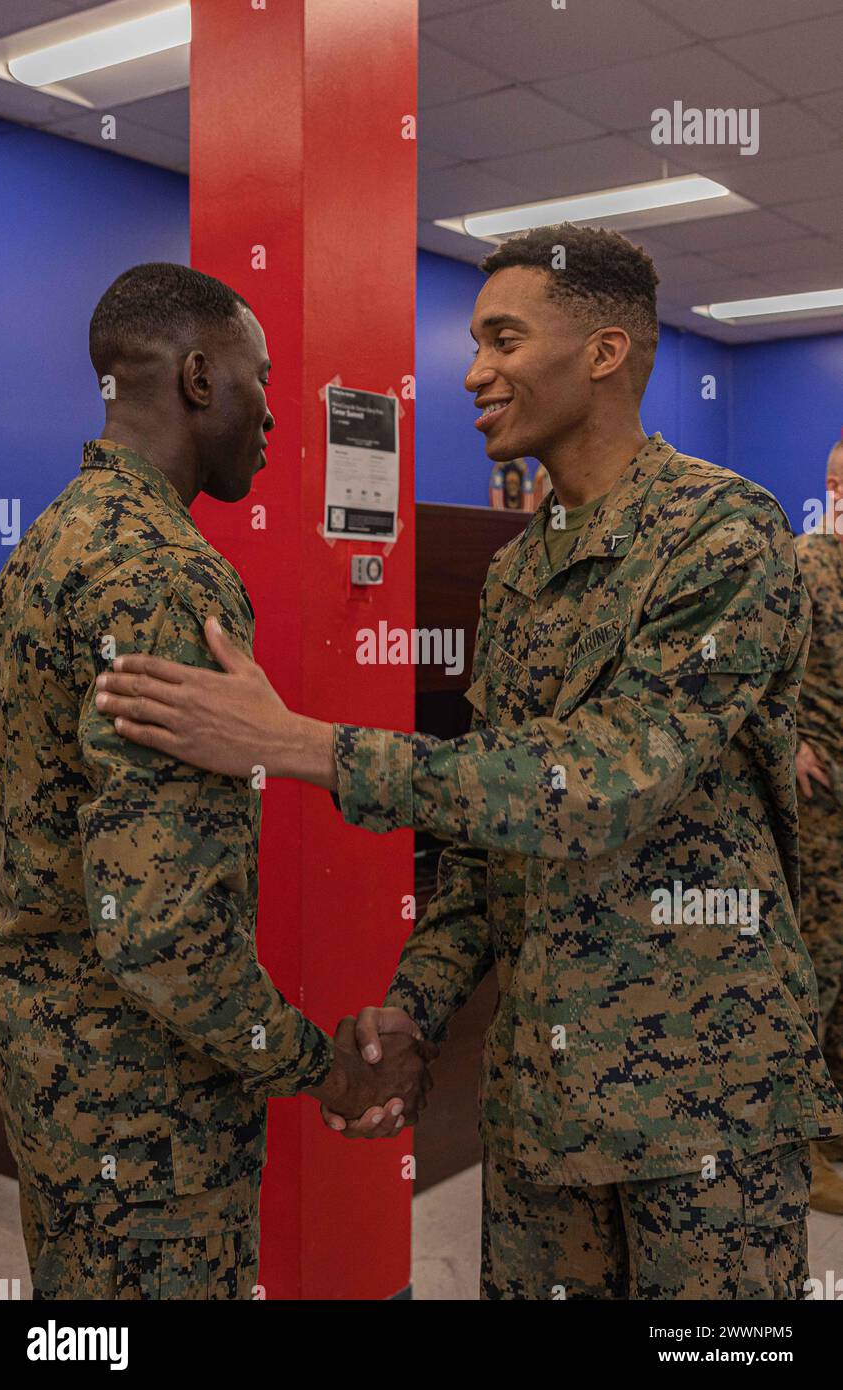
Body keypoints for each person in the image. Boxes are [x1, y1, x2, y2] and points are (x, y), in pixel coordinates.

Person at [94, 226, 843, 1300]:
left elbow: (595, 785)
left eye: (502, 337)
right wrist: (413, 1010)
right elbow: (490, 840)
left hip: (705, 1109)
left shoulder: (722, 534)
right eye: (472, 340)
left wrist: (293, 743)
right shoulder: (519, 574)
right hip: (544, 1103)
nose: (470, 371)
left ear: (600, 352)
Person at [0, 262, 433, 1301]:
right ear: (196, 377)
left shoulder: (50, 539)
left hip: (57, 1064)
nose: (273, 411)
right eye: (259, 376)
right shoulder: (166, 576)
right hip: (145, 1110)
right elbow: (163, 932)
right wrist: (323, 1065)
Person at [794, 437, 843, 1214]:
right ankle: (801, 1144)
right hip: (821, 812)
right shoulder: (807, 564)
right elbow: (745, 670)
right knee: (816, 973)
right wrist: (785, 746)